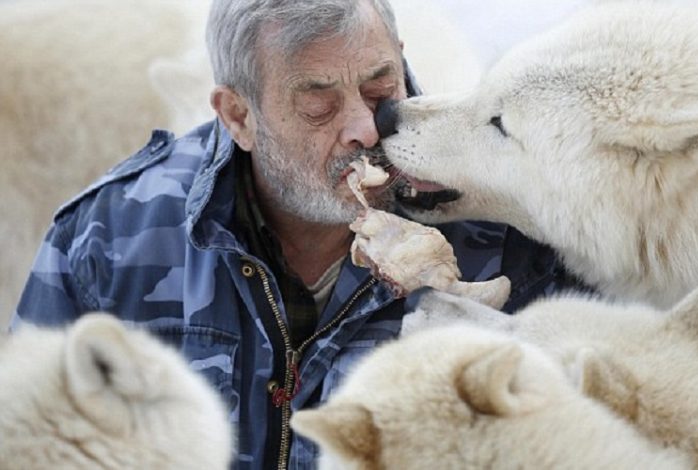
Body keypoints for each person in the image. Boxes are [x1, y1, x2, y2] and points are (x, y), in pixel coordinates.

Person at [12, 0, 579, 468]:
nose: (363, 128)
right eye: (318, 104)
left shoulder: (509, 223)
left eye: (382, 85)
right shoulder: (108, 236)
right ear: (238, 116)